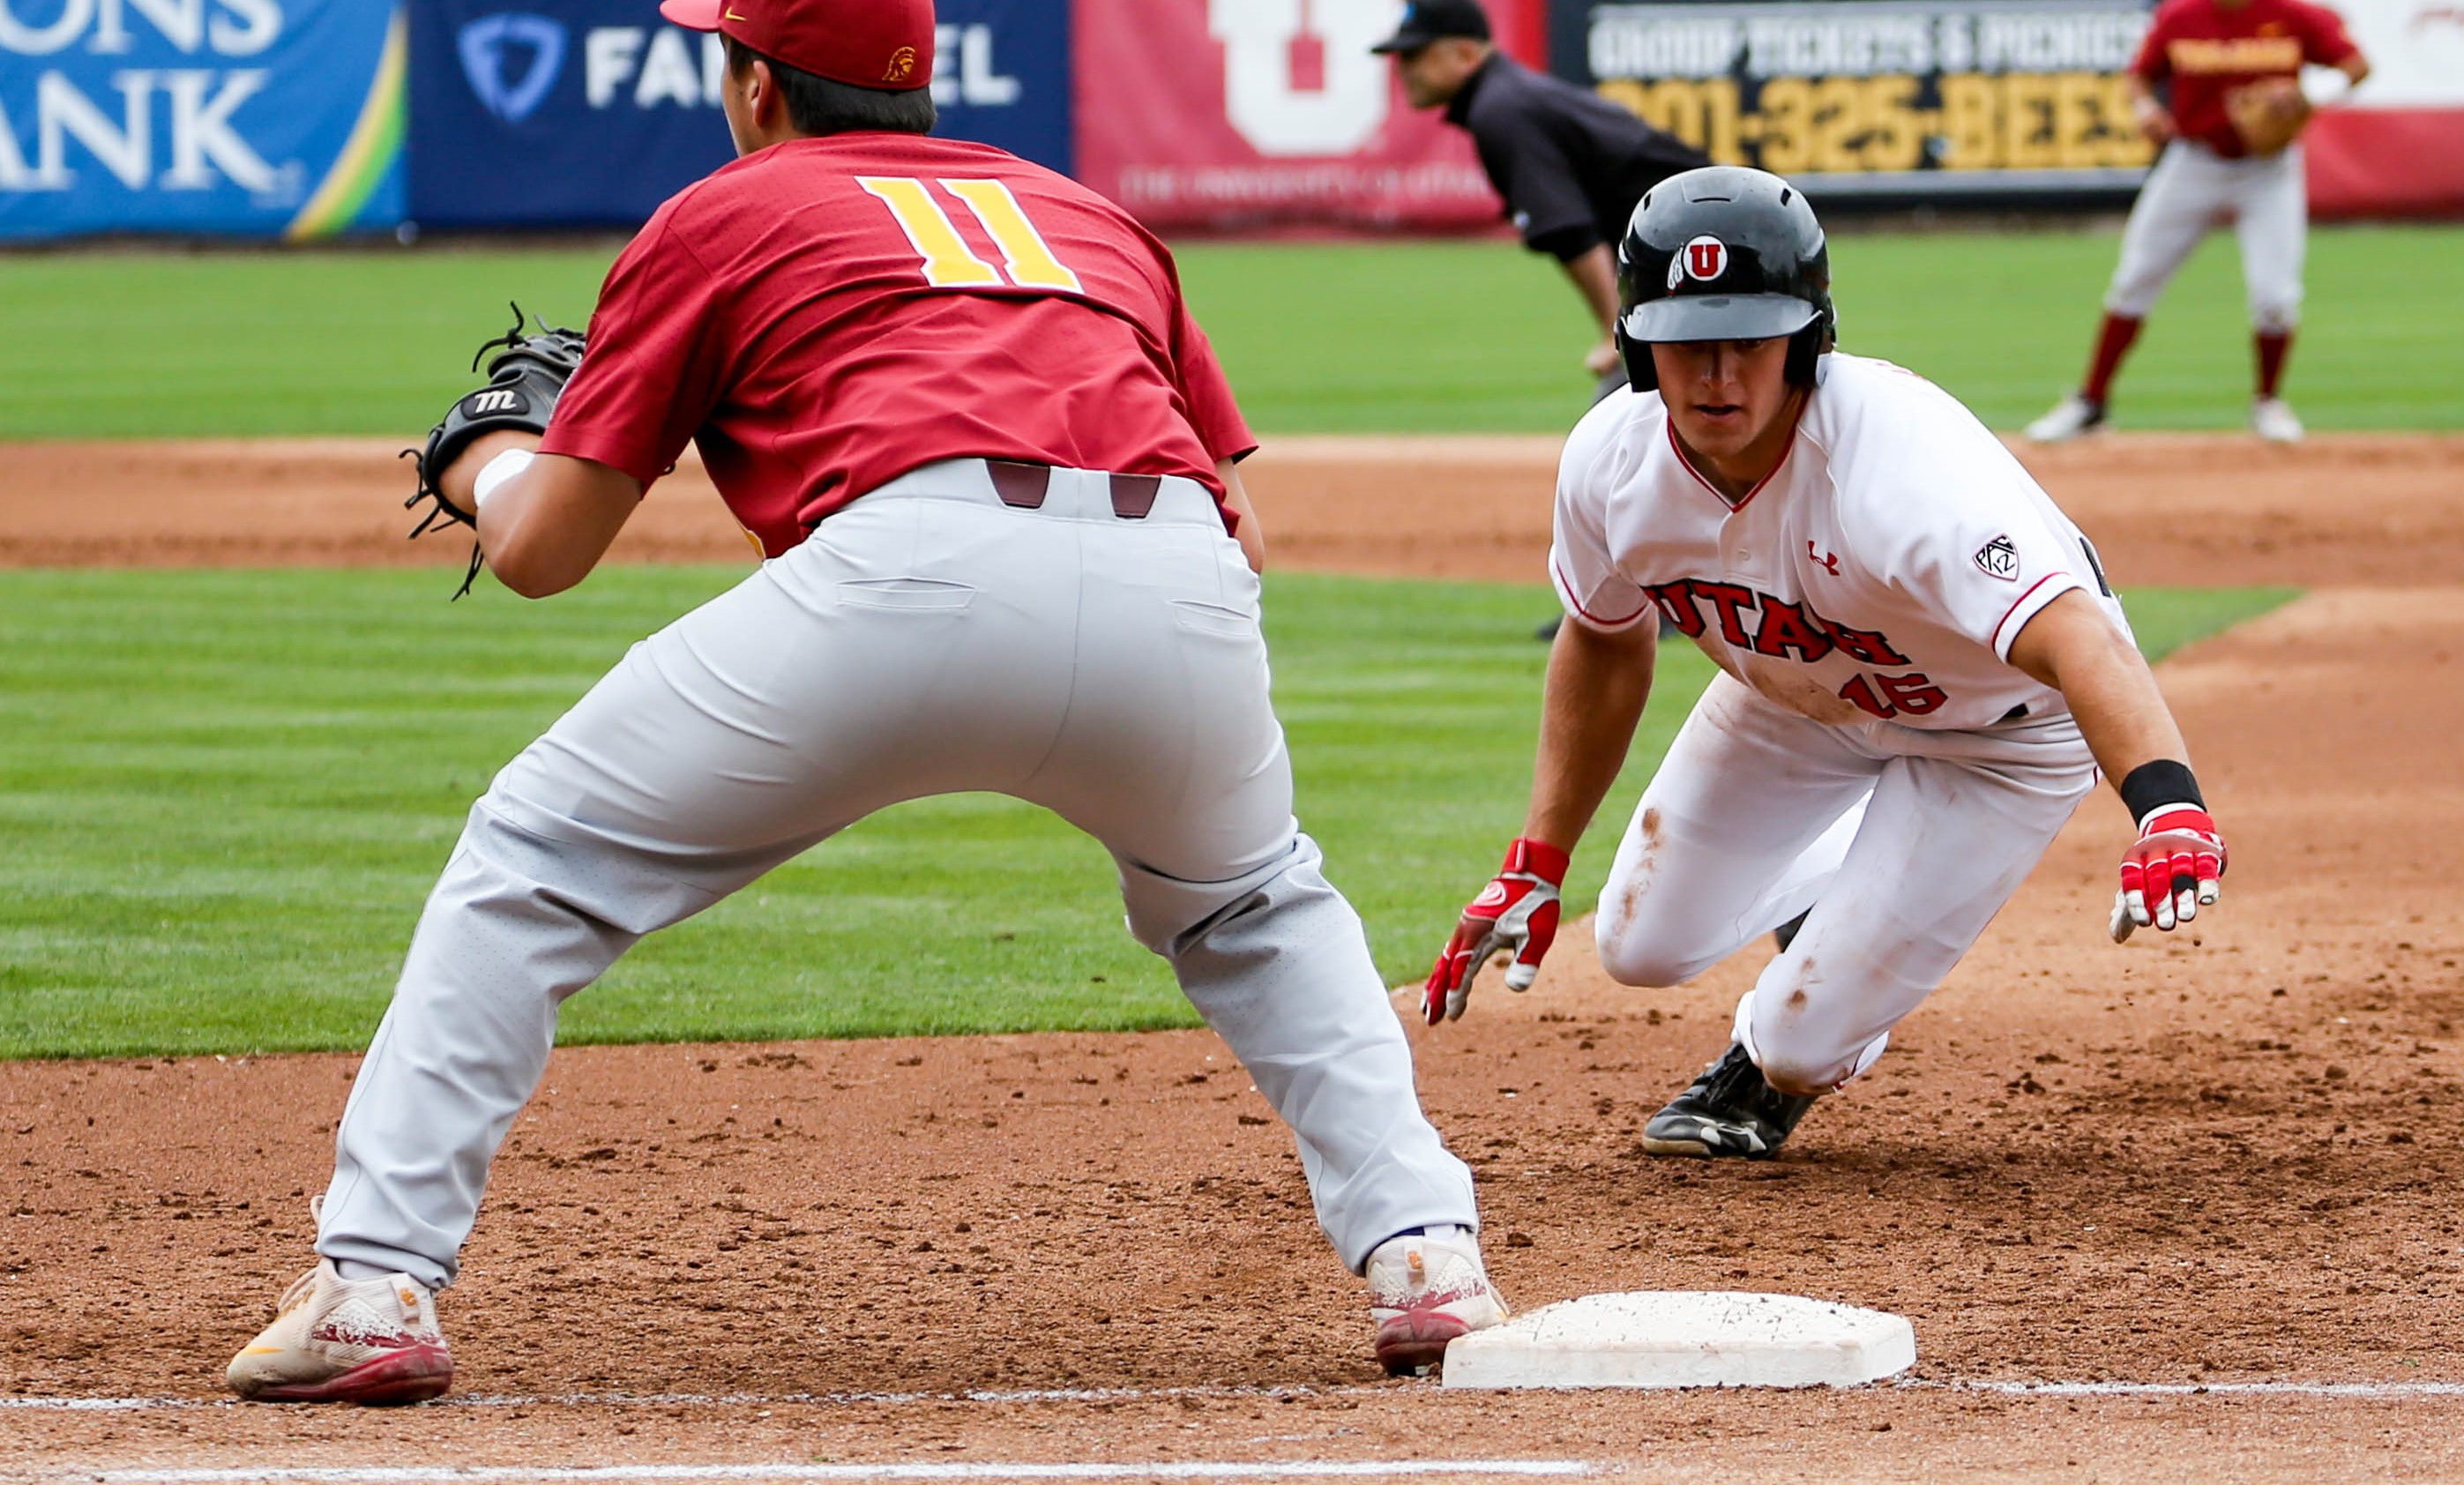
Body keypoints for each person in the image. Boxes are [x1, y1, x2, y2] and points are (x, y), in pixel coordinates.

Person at [224, 0, 1504, 1404]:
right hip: (1183, 583)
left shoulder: (723, 211)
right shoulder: (1086, 215)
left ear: (756, 85)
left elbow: (543, 554)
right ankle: (1427, 1256)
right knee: (1255, 902)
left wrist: (490, 457)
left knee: (535, 862)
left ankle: (372, 1284)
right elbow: (1241, 523)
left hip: (908, 576)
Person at [1419, 168, 2229, 1164]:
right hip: (1794, 701)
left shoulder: (1896, 463)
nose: (1716, 375)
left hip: (1996, 739)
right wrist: (1533, 862)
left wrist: (2167, 807)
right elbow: (1602, 633)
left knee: (1800, 1044)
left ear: (1806, 342)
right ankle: (1838, 888)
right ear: (1635, 346)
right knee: (1637, 944)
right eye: (1684, 343)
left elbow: (2074, 634)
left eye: (1749, 341)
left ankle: (1772, 1055)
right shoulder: (1609, 464)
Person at [2027, 0, 2370, 445]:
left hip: (2269, 171)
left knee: (2276, 295)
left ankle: (2268, 402)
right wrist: (2146, 109)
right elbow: (2140, 74)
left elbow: (2356, 66)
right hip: (2193, 162)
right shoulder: (2181, 15)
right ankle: (2091, 402)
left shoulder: (2293, 14)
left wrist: (2310, 93)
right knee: (2134, 279)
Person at [1376, 0, 1707, 403]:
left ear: (1465, 54)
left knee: (1621, 404)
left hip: (1706, 248)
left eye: (1414, 54)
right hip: (1690, 250)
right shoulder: (1506, 97)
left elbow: (1570, 232)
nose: (1401, 67)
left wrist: (1613, 331)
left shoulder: (1500, 110)